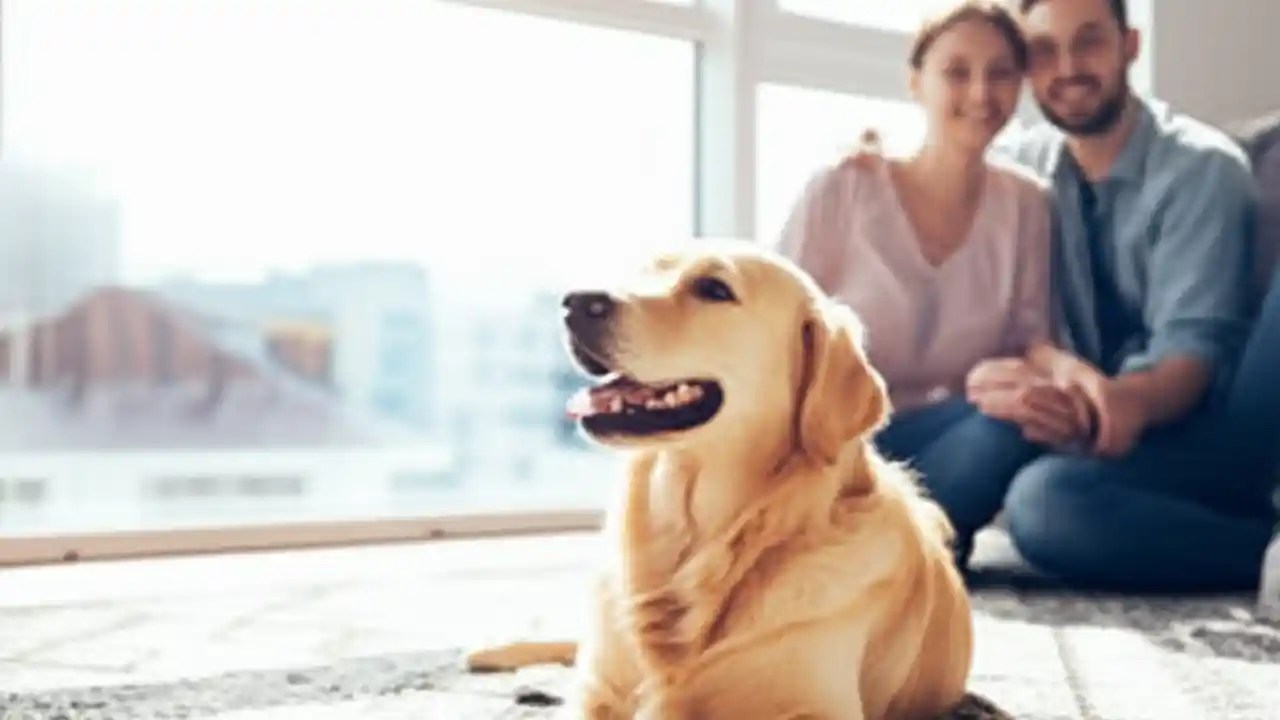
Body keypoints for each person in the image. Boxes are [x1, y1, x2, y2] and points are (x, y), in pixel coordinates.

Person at [844, 0, 1279, 592]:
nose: (1067, 66)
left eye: (1089, 42)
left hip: (1203, 431)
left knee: (1046, 508)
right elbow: (947, 171)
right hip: (1087, 432)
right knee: (1006, 460)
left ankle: (1259, 554)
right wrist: (878, 161)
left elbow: (1191, 359)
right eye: (1044, 50)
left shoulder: (1201, 169)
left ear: (1129, 46)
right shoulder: (1021, 171)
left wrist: (1112, 403)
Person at [777, 0, 1065, 568]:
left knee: (1014, 424)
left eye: (1001, 73)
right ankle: (888, 547)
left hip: (944, 442)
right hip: (837, 446)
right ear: (916, 83)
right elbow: (775, 332)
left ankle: (892, 552)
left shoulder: (1028, 202)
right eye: (957, 72)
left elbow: (1032, 337)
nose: (982, 94)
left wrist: (1056, 384)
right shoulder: (844, 186)